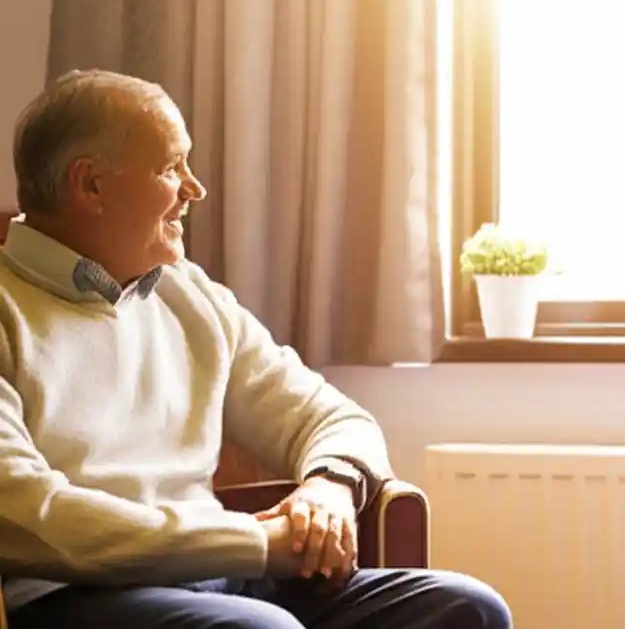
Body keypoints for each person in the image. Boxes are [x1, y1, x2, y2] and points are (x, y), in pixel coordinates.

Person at [0, 69, 511, 629]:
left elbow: (330, 415)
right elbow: (29, 515)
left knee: (468, 609)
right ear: (90, 185)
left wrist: (330, 487)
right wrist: (260, 542)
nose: (194, 188)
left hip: (225, 576)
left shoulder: (188, 293)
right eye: (171, 167)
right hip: (75, 596)